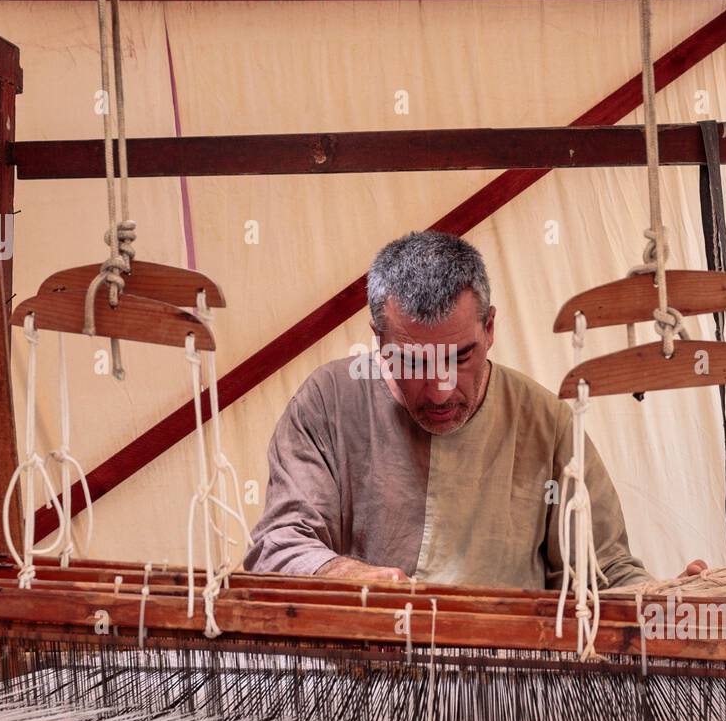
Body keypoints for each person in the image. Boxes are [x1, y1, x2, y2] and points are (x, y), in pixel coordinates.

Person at [244, 230, 698, 589]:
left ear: (491, 327)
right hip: (364, 686)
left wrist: (666, 599)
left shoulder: (547, 424)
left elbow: (602, 573)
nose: (441, 392)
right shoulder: (328, 403)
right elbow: (280, 546)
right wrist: (350, 577)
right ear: (378, 340)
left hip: (507, 691)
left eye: (460, 357)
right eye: (415, 362)